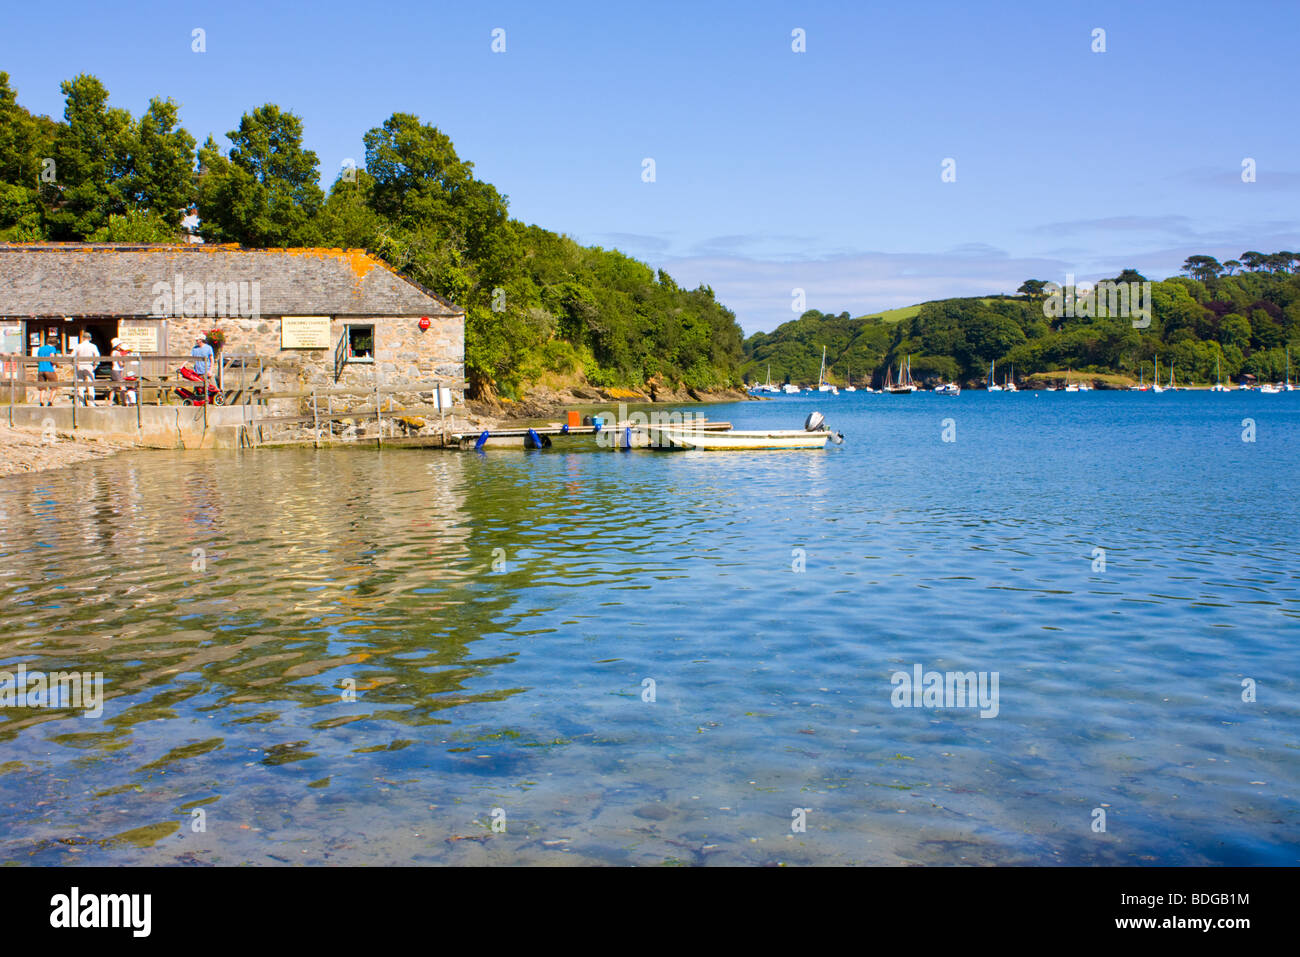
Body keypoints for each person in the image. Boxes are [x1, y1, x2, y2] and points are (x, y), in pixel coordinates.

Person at [71, 331, 101, 407]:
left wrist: (75, 364)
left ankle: (81, 402)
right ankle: (91, 402)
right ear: (90, 338)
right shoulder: (93, 346)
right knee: (90, 385)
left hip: (80, 365)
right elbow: (97, 356)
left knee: (80, 385)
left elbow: (72, 356)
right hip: (89, 365)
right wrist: (96, 365)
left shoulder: (78, 346)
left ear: (83, 338)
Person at [109, 337, 133, 405]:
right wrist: (124, 360)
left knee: (114, 388)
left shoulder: (113, 352)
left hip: (114, 370)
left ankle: (110, 402)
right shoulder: (117, 353)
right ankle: (124, 402)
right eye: (119, 344)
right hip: (117, 371)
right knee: (122, 387)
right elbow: (121, 364)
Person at [36, 338, 58, 407]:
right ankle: (50, 401)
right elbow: (52, 358)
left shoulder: (41, 348)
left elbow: (37, 359)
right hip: (49, 369)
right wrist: (56, 364)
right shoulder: (52, 348)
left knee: (42, 388)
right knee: (54, 386)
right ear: (54, 343)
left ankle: (41, 402)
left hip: (41, 369)